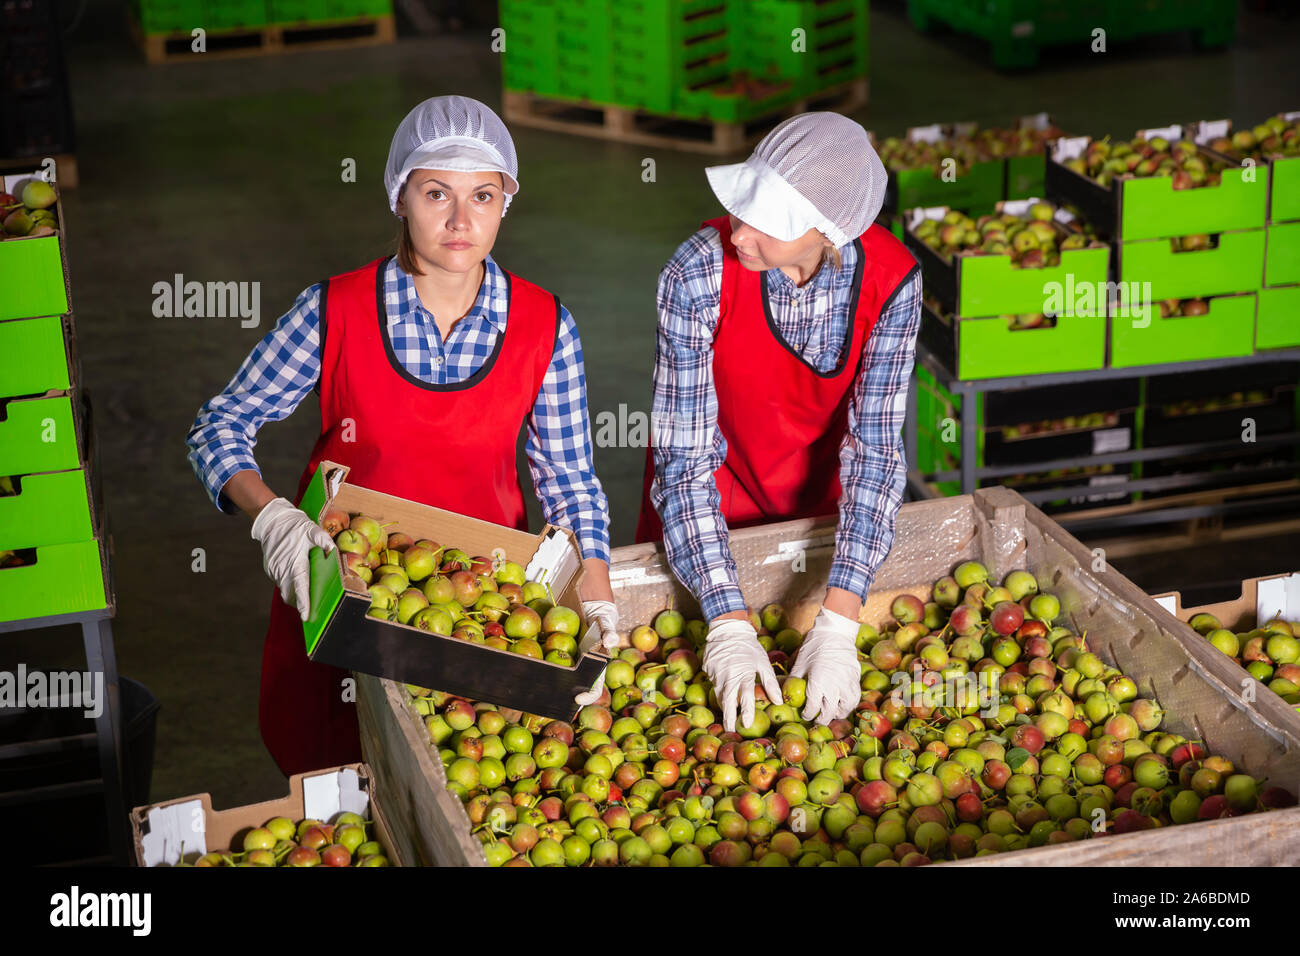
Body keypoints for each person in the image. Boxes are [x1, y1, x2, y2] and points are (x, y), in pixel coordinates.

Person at [187, 96, 619, 776]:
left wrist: (595, 596)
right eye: (435, 193)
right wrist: (271, 516)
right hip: (342, 595)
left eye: (482, 194)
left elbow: (567, 479)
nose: (460, 219)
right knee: (340, 787)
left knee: (461, 789)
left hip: (483, 612)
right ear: (399, 198)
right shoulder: (335, 311)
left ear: (507, 201)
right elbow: (219, 425)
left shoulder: (545, 326)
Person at [636, 112, 921, 733]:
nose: (739, 233)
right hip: (709, 515)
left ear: (828, 231)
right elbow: (683, 462)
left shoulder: (894, 282)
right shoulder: (696, 275)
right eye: (742, 206)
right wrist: (729, 625)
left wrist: (841, 622)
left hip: (828, 526)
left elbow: (874, 452)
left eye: (766, 222)